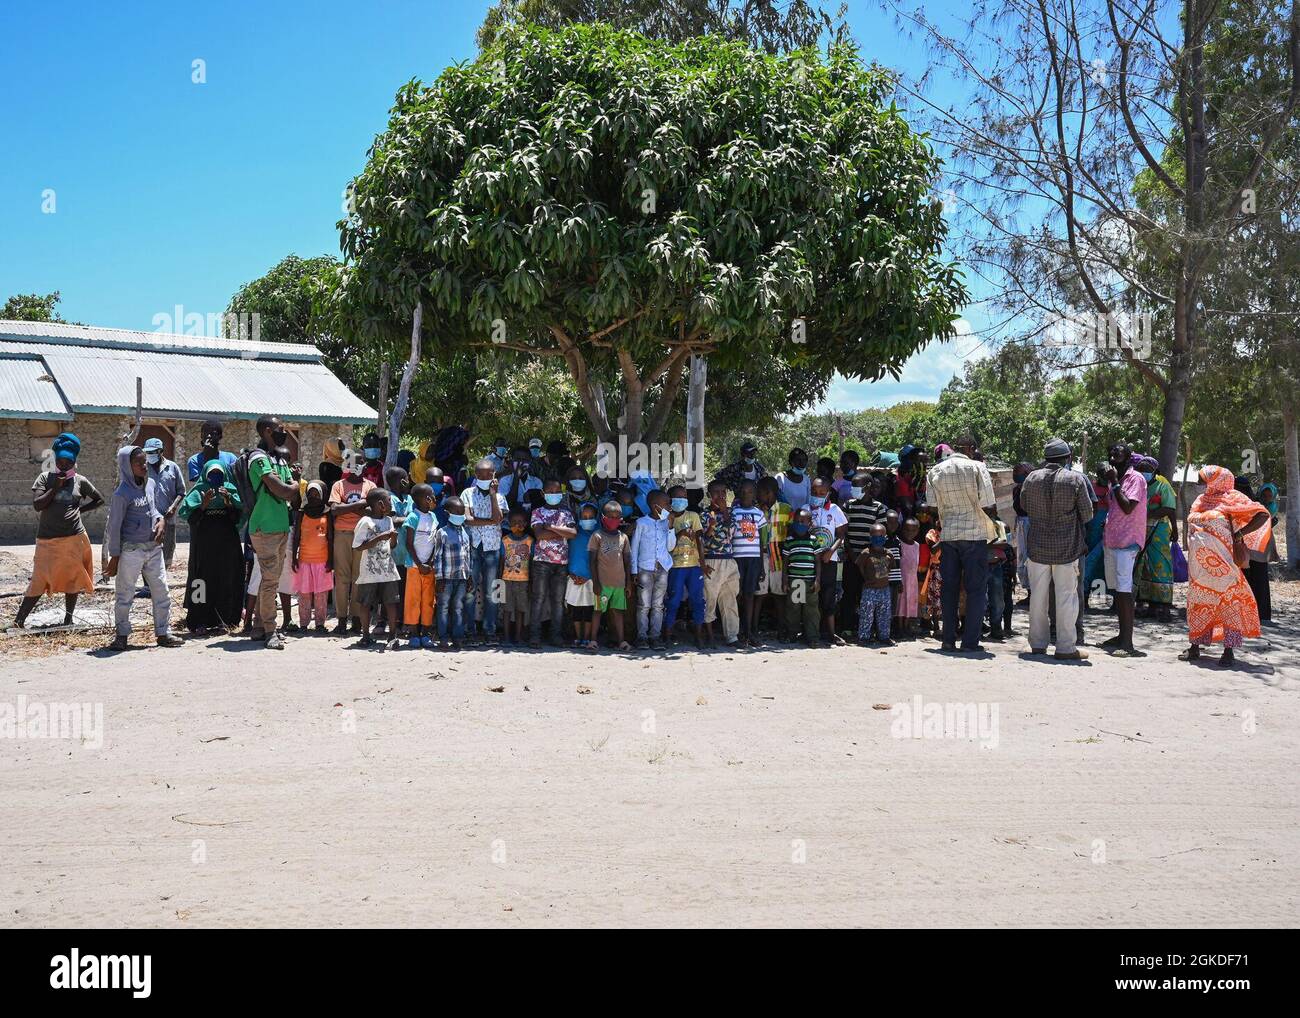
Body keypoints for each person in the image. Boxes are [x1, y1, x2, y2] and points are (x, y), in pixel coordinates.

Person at [1179, 466, 1270, 667]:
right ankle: (1195, 647)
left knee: (1228, 606)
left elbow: (1262, 514)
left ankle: (1228, 651)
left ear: (1216, 482)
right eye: (1199, 481)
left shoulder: (1232, 498)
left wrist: (1239, 534)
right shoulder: (1199, 501)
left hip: (1224, 567)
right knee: (1198, 605)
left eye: (1202, 481)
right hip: (1198, 570)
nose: (1199, 485)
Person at [14, 432, 103, 629]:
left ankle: (68, 620)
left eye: (68, 462)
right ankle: (19, 621)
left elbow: (99, 499)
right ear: (54, 459)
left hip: (74, 538)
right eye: (60, 461)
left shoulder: (80, 481)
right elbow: (38, 505)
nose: (63, 465)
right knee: (40, 578)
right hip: (47, 539)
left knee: (72, 579)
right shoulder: (45, 478)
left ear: (74, 461)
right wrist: (55, 488)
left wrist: (80, 510)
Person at [1020, 438, 1094, 660]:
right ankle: (1065, 647)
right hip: (1067, 548)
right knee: (1066, 598)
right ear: (1067, 458)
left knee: (1038, 598)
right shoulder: (1075, 479)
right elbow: (1088, 514)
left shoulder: (1032, 478)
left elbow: (1023, 505)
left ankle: (1038, 644)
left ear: (1046, 458)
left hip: (1037, 547)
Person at [105, 446, 182, 651]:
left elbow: (154, 509)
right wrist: (114, 557)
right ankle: (122, 635)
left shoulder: (150, 484)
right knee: (125, 594)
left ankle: (163, 633)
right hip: (131, 551)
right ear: (127, 467)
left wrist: (161, 521)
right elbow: (114, 527)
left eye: (144, 461)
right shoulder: (122, 494)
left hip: (153, 548)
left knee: (161, 591)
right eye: (138, 462)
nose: (144, 465)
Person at [926, 433, 996, 652]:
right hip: (974, 535)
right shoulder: (977, 467)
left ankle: (948, 639)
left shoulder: (935, 471)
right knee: (975, 590)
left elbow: (931, 506)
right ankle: (970, 642)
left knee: (950, 589)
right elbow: (988, 504)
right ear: (972, 448)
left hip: (949, 536)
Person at [247, 416, 301, 650]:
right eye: (280, 429)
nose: (284, 432)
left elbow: (291, 491)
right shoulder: (258, 459)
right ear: (267, 431)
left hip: (279, 526)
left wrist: (291, 487)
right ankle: (271, 630)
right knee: (270, 580)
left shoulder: (277, 459)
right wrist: (293, 486)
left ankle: (259, 626)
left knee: (271, 579)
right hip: (264, 527)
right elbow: (283, 489)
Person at [178, 459, 244, 635]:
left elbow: (238, 516)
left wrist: (229, 502)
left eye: (219, 474)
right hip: (205, 540)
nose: (216, 477)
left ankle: (225, 619)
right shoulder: (199, 490)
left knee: (226, 577)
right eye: (212, 474)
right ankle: (199, 620)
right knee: (201, 579)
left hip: (227, 540)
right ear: (205, 474)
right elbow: (187, 515)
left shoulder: (230, 489)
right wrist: (204, 504)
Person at [1099, 443, 1147, 657]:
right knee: (1117, 590)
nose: (1112, 456)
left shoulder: (1135, 479)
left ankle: (1127, 643)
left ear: (1128, 458)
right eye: (1110, 453)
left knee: (1124, 590)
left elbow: (1128, 507)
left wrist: (1114, 482)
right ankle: (1121, 636)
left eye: (1117, 453)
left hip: (1127, 542)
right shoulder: (1115, 480)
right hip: (1113, 540)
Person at [327, 455, 375, 634]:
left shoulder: (371, 486)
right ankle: (341, 619)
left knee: (358, 578)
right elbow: (334, 510)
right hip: (343, 535)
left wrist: (347, 506)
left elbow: (373, 510)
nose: (359, 466)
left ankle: (356, 618)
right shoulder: (338, 485)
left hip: (363, 536)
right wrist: (361, 505)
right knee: (342, 578)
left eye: (361, 463)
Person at [461, 459, 507, 645]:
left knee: (492, 591)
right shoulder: (467, 493)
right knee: (470, 590)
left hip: (492, 547)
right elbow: (468, 520)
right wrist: (489, 521)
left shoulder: (500, 497)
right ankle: (469, 630)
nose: (486, 478)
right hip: (473, 546)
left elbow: (498, 518)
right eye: (482, 475)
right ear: (476, 475)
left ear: (494, 475)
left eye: (490, 474)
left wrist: (493, 495)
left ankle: (490, 630)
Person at [351, 489, 402, 650]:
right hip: (370, 571)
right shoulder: (365, 522)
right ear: (380, 504)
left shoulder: (388, 520)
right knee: (365, 603)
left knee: (391, 602)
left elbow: (392, 546)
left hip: (388, 569)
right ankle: (366, 635)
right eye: (388, 500)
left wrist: (393, 538)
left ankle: (392, 635)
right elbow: (358, 546)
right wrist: (379, 537)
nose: (390, 503)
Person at [838, 471, 887, 636]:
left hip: (871, 560)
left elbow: (880, 534)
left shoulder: (878, 508)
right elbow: (844, 532)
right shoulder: (848, 505)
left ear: (867, 487)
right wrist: (851, 553)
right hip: (851, 557)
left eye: (856, 486)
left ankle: (869, 629)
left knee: (869, 595)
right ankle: (847, 627)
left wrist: (866, 556)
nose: (853, 489)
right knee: (849, 592)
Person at [529, 480, 576, 648]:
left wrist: (551, 527)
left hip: (561, 563)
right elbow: (539, 535)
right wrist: (560, 531)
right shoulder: (537, 512)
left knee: (558, 601)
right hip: (541, 562)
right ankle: (534, 635)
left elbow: (572, 533)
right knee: (538, 599)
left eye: (557, 491)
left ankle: (556, 636)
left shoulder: (567, 513)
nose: (554, 494)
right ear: (543, 493)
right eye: (550, 490)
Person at [630, 489, 676, 650]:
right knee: (643, 605)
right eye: (666, 503)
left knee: (658, 604)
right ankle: (642, 637)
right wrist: (634, 571)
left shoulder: (667, 523)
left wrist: (670, 527)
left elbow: (671, 547)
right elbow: (634, 547)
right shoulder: (642, 523)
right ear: (655, 506)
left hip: (662, 568)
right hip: (645, 568)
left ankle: (655, 637)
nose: (670, 506)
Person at [1133, 455, 1177, 622]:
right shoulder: (1138, 485)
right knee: (1142, 565)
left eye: (1147, 471)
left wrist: (1174, 530)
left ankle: (1164, 607)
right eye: (1141, 470)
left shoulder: (1162, 485)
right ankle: (1145, 604)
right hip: (1140, 529)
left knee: (1161, 564)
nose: (1144, 473)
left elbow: (1169, 509)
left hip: (1159, 529)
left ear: (1155, 472)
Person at [664, 485, 706, 648]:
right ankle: (667, 634)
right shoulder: (666, 518)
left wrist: (702, 563)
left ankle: (698, 636)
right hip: (675, 566)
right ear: (670, 500)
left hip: (694, 566)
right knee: (673, 601)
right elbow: (667, 546)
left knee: (697, 600)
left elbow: (699, 540)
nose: (681, 501)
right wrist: (679, 533)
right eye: (677, 498)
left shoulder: (693, 516)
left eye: (684, 498)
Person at [808, 476, 848, 645]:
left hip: (829, 560)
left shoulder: (835, 509)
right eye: (814, 492)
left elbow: (841, 534)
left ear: (828, 492)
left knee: (829, 596)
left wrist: (831, 551)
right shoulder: (805, 508)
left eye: (821, 492)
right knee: (811, 596)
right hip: (810, 560)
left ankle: (831, 633)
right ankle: (811, 633)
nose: (817, 494)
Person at [589, 500, 633, 651]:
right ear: (603, 517)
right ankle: (593, 640)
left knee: (618, 612)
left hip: (619, 584)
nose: (613, 520)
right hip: (602, 583)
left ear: (621, 518)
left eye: (617, 517)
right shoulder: (597, 536)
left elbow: (627, 562)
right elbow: (592, 561)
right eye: (610, 516)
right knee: (598, 611)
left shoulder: (624, 538)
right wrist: (595, 582)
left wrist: (628, 583)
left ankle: (622, 641)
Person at [701, 478, 740, 646]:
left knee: (729, 599)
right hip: (712, 561)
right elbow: (705, 541)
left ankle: (732, 636)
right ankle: (709, 635)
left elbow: (732, 534)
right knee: (709, 599)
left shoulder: (731, 513)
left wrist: (725, 513)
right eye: (716, 493)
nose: (721, 496)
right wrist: (711, 526)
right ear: (709, 495)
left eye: (723, 492)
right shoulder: (703, 515)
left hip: (729, 561)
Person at [400, 483, 439, 648]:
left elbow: (434, 541)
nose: (435, 499)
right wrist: (419, 564)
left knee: (429, 601)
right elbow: (409, 544)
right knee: (413, 600)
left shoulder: (433, 517)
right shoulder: (413, 517)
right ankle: (414, 633)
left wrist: (429, 562)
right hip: (414, 567)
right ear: (425, 499)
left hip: (429, 568)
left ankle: (426, 632)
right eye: (432, 496)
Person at [291, 481, 334, 633]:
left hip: (322, 560)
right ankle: (303, 624)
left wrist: (331, 560)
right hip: (304, 559)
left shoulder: (327, 513)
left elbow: (330, 538)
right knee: (304, 594)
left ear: (323, 495)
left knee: (321, 595)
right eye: (310, 494)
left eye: (317, 494)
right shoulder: (302, 513)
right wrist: (294, 558)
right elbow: (296, 537)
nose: (313, 497)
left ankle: (320, 624)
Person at [1234, 474, 1276, 624]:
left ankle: (1261, 615)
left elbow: (1264, 518)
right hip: (1253, 548)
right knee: (1256, 580)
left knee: (1256, 579)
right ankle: (1257, 614)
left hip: (1256, 547)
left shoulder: (1251, 503)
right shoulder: (1248, 502)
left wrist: (1240, 533)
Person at [431, 495, 473, 650]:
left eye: (463, 513)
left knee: (458, 607)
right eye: (457, 512)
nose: (461, 516)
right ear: (448, 513)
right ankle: (443, 637)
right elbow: (438, 557)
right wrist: (439, 578)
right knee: (443, 606)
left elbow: (468, 557)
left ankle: (457, 637)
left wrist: (469, 577)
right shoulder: (442, 533)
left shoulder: (466, 532)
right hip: (446, 578)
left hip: (461, 577)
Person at [729, 480, 766, 645]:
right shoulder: (733, 512)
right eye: (743, 492)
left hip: (753, 560)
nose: (746, 495)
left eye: (749, 492)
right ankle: (736, 631)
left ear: (755, 494)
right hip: (737, 559)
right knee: (736, 595)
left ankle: (749, 631)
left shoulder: (758, 513)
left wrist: (761, 566)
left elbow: (761, 542)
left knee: (750, 595)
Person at [755, 476, 791, 640]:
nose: (757, 496)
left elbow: (790, 532)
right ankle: (753, 628)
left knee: (780, 593)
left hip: (779, 557)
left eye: (759, 493)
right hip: (761, 556)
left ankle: (783, 628)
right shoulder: (756, 510)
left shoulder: (786, 509)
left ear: (768, 493)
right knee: (759, 593)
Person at [142, 437, 186, 570]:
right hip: (148, 520)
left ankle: (163, 581)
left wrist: (173, 507)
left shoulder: (172, 467)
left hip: (168, 519)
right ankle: (147, 586)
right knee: (148, 554)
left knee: (166, 553)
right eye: (147, 453)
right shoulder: (143, 468)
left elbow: (181, 491)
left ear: (161, 451)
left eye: (153, 452)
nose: (150, 455)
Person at [781, 507, 821, 645]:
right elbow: (785, 561)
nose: (800, 524)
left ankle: (812, 637)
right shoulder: (789, 540)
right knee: (793, 609)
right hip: (795, 581)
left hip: (810, 581)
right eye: (797, 521)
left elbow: (817, 561)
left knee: (811, 611)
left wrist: (817, 580)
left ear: (810, 524)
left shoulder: (813, 540)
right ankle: (792, 634)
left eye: (803, 521)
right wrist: (785, 580)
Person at [566, 502, 599, 650]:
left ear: (596, 518)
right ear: (579, 517)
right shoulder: (573, 533)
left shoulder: (599, 535)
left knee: (589, 611)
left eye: (591, 517)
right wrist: (571, 574)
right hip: (573, 578)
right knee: (576, 610)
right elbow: (567, 554)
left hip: (591, 580)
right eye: (584, 517)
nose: (587, 519)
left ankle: (586, 638)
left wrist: (590, 576)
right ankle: (577, 637)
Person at [855, 523, 894, 645]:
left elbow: (890, 568)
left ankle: (884, 637)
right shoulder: (866, 553)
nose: (878, 539)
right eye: (875, 536)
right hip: (869, 589)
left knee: (885, 615)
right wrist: (867, 578)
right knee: (866, 614)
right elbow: (860, 567)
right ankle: (863, 637)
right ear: (870, 537)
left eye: (881, 535)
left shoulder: (889, 554)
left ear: (885, 537)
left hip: (885, 589)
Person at [500, 508, 533, 645]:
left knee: (520, 610)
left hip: (523, 581)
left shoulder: (530, 541)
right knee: (506, 610)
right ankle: (506, 637)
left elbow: (531, 562)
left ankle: (518, 636)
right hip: (506, 580)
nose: (517, 525)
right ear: (509, 523)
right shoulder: (505, 540)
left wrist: (531, 582)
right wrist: (498, 580)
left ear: (526, 524)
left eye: (520, 522)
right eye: (514, 522)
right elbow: (501, 561)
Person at [896, 518, 921, 638]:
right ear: (902, 529)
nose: (910, 532)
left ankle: (906, 627)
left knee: (910, 603)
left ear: (917, 531)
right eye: (907, 530)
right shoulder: (899, 544)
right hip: (902, 580)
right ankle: (899, 628)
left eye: (913, 530)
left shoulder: (917, 546)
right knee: (900, 603)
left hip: (912, 581)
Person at [501, 445, 542, 512]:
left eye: (525, 460)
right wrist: (516, 477)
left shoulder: (537, 482)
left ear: (530, 462)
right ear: (512, 460)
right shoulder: (504, 481)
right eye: (517, 459)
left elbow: (536, 506)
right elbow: (508, 505)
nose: (521, 463)